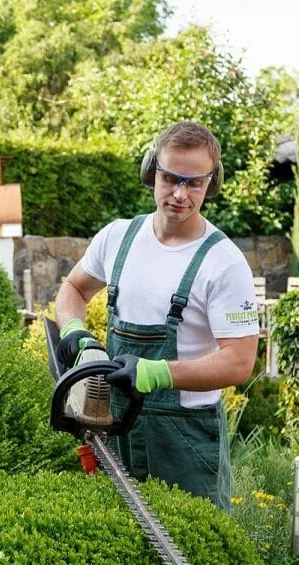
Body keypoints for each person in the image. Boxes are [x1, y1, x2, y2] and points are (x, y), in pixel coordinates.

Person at [54, 121, 259, 510]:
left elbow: (239, 362)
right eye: (170, 178)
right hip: (113, 427)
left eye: (194, 183)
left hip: (184, 441)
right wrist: (76, 333)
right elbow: (74, 289)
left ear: (211, 184)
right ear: (152, 172)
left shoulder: (223, 262)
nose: (180, 194)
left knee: (197, 555)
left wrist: (156, 372)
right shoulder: (117, 238)